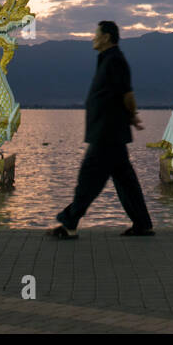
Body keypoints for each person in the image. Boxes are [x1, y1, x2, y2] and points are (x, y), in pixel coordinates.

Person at [48, 20, 154, 239]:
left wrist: (132, 115)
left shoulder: (115, 60)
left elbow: (128, 94)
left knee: (88, 180)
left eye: (96, 34)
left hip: (107, 134)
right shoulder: (107, 60)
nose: (93, 38)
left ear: (106, 37)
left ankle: (69, 224)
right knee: (126, 182)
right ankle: (142, 224)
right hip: (110, 133)